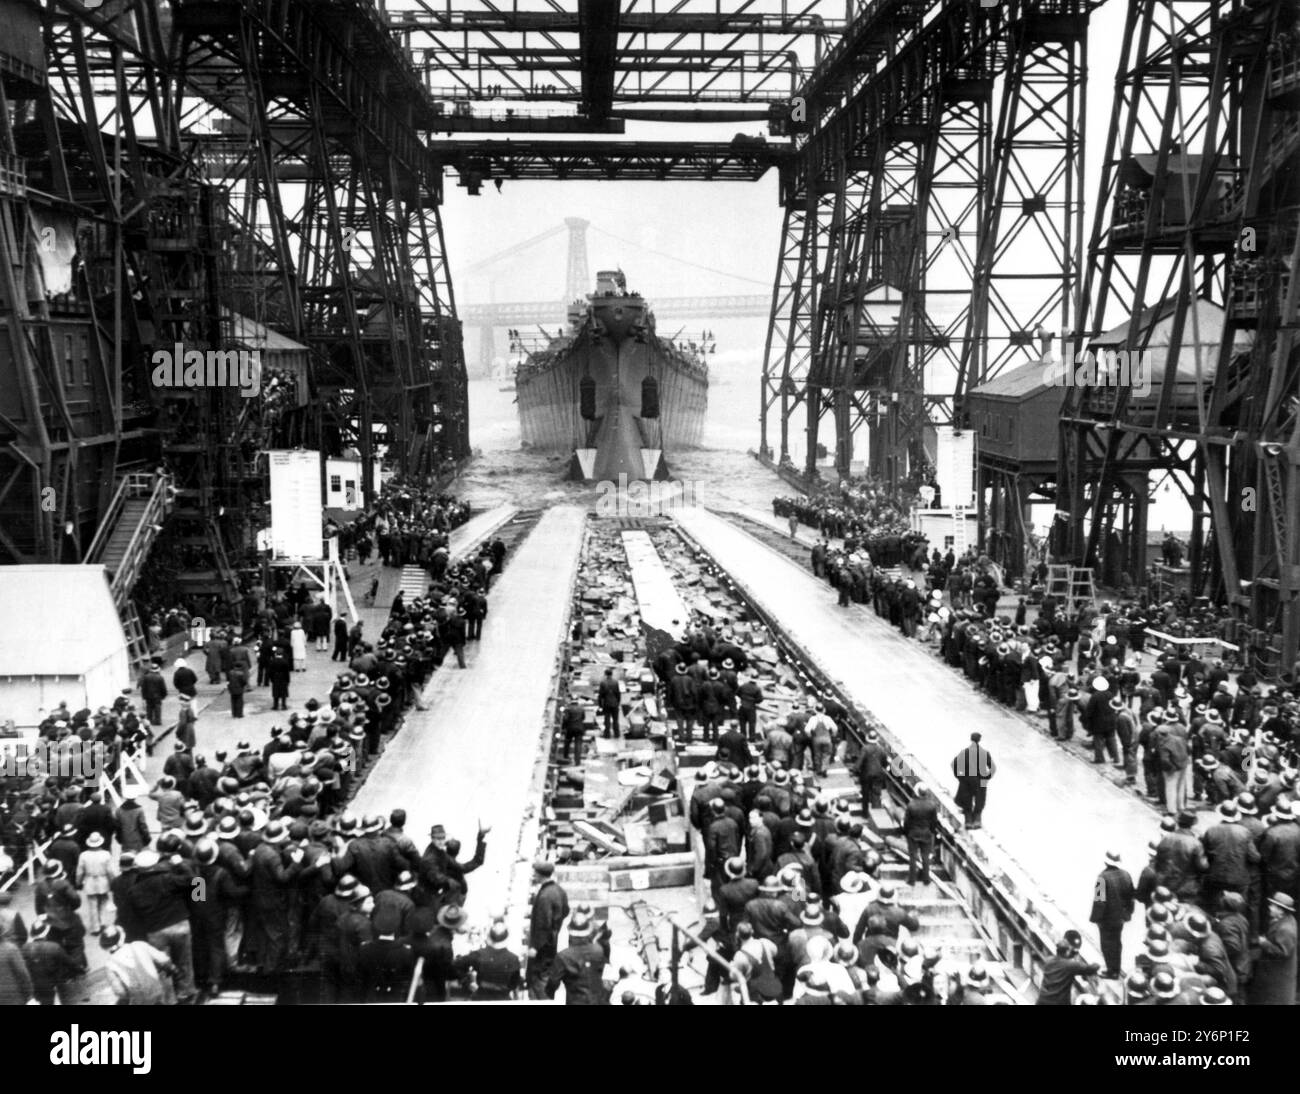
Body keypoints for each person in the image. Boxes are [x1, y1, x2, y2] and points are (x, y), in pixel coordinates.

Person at [100, 926, 177, 1005]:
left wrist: (126, 997)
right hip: (156, 990)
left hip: (138, 1000)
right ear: (122, 938)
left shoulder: (110, 964)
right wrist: (171, 968)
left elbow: (120, 991)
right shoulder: (139, 945)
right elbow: (163, 959)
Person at [545, 912, 611, 1005]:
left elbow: (553, 982)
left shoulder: (563, 956)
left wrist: (550, 993)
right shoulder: (598, 951)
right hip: (597, 1000)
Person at [1089, 850, 1135, 979]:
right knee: (1117, 943)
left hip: (1106, 919)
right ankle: (1116, 968)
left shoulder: (1102, 878)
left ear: (1106, 862)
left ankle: (1111, 971)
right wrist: (1128, 914)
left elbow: (1099, 901)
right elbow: (1131, 896)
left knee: (1107, 945)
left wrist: (1096, 918)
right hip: (1120, 918)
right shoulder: (1126, 875)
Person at [527, 860, 569, 999]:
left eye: (534, 873)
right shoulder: (559, 889)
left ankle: (542, 998)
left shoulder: (545, 895)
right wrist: (556, 925)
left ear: (539, 875)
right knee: (547, 967)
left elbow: (543, 924)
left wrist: (535, 947)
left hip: (543, 944)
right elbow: (566, 910)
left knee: (539, 975)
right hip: (553, 938)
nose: (533, 875)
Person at [454, 919, 524, 1000]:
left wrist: (467, 982)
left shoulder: (478, 954)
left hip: (481, 997)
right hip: (503, 999)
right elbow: (514, 984)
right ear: (507, 938)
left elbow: (457, 965)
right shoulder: (513, 959)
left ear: (489, 936)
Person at [1250, 891, 1296, 1005]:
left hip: (1277, 976)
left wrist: (1264, 943)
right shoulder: (1284, 919)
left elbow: (1282, 952)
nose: (1270, 908)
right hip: (1274, 973)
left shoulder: (1286, 929)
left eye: (1273, 906)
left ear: (1281, 910)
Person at [951, 731, 994, 829]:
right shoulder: (984, 753)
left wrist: (960, 777)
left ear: (971, 739)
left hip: (967, 780)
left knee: (967, 801)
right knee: (980, 801)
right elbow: (992, 768)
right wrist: (986, 777)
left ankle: (968, 822)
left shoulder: (965, 752)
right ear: (979, 740)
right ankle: (977, 821)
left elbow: (954, 765)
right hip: (980, 781)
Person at [1036, 937, 1099, 1004]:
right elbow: (1092, 968)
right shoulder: (1070, 965)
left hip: (1042, 1000)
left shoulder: (1049, 961)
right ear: (1067, 952)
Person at [902, 784, 938, 886]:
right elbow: (934, 822)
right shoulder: (932, 805)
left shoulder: (911, 805)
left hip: (913, 833)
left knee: (913, 856)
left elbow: (907, 821)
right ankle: (926, 879)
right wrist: (931, 831)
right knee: (925, 857)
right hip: (926, 833)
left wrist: (906, 831)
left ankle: (912, 880)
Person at [597, 668, 621, 738]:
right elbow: (618, 693)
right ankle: (617, 734)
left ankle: (607, 734)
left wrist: (600, 705)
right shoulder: (615, 682)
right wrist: (618, 702)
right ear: (611, 674)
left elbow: (600, 695)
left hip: (606, 703)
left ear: (605, 674)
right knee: (615, 720)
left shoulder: (603, 682)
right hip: (615, 703)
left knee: (607, 719)